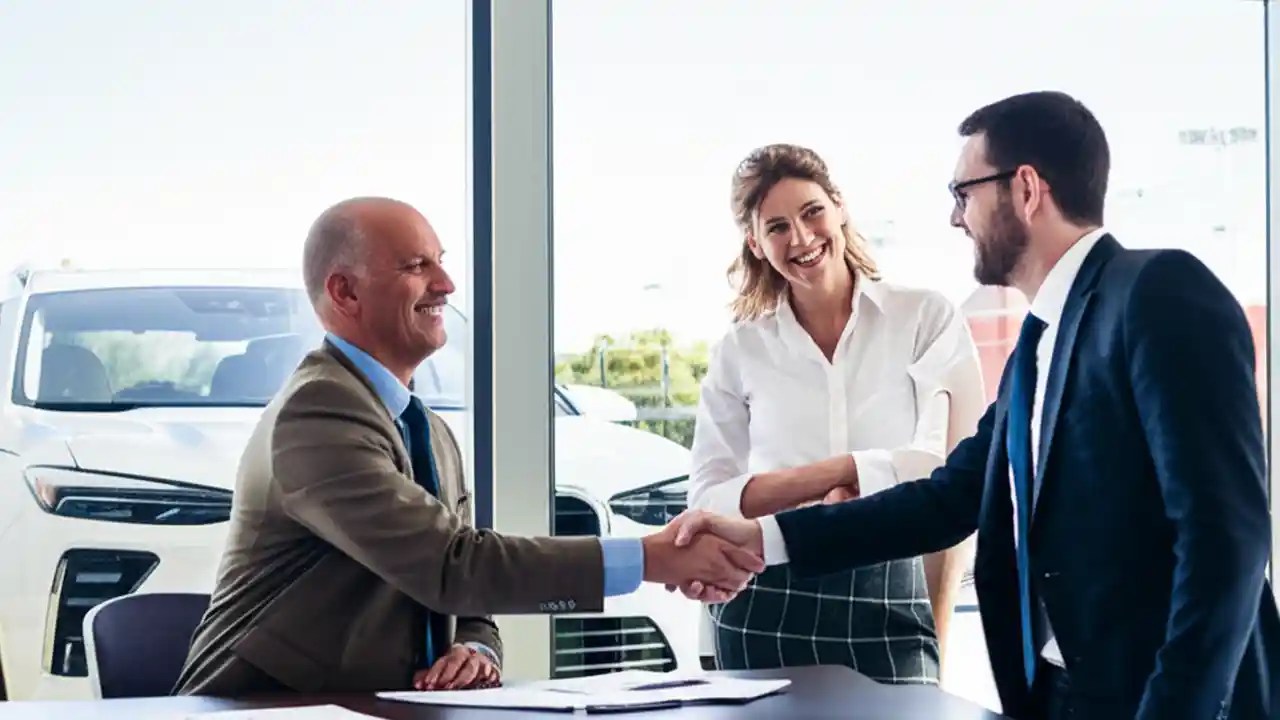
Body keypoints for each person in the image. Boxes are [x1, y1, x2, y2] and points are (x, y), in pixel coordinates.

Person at [669, 91, 1279, 720]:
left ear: (1026, 189)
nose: (957, 218)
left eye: (963, 193)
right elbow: (946, 499)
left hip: (1164, 699)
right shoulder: (1036, 347)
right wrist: (761, 538)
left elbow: (1227, 537)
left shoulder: (1157, 293)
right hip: (1063, 695)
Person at [173, 197, 764, 696]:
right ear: (345, 293)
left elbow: (466, 595)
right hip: (268, 705)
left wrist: (477, 647)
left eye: (441, 262)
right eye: (415, 265)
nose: (446, 284)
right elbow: (452, 565)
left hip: (381, 703)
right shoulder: (317, 413)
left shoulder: (423, 427)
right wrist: (653, 557)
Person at [687, 143, 985, 684]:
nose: (800, 238)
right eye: (776, 227)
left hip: (889, 592)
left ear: (839, 206)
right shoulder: (740, 351)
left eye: (811, 212)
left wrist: (839, 474)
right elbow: (709, 500)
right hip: (764, 600)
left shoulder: (924, 319)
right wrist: (839, 476)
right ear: (755, 244)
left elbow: (949, 477)